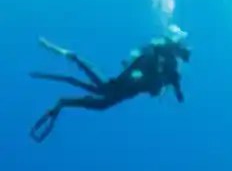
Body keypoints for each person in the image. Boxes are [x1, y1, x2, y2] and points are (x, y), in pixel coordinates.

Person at [29, 27, 191, 142]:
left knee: (101, 102)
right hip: (120, 85)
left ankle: (63, 102)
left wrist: (175, 93)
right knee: (100, 87)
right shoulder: (164, 59)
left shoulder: (171, 71)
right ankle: (64, 54)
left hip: (123, 92)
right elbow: (174, 89)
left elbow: (177, 92)